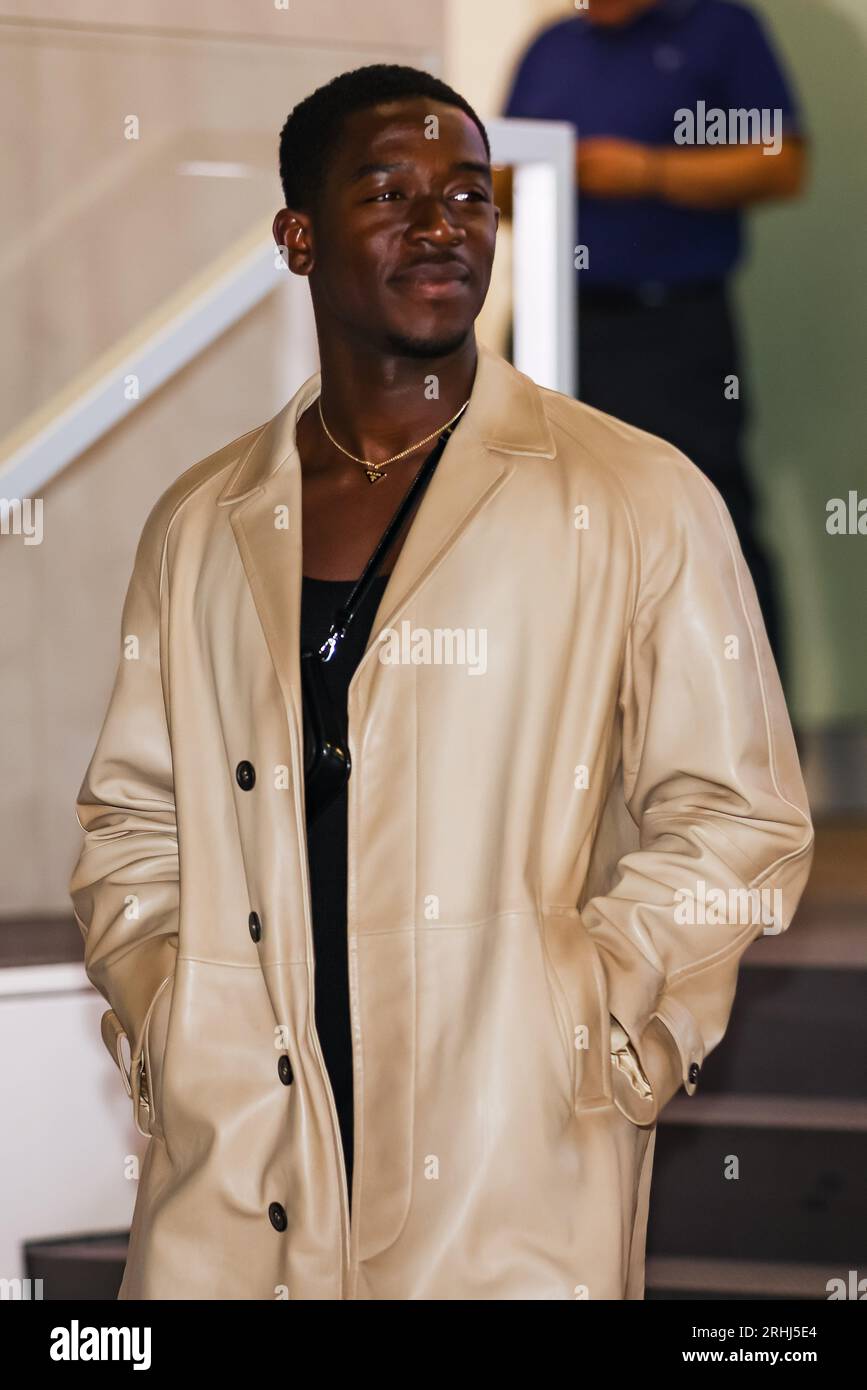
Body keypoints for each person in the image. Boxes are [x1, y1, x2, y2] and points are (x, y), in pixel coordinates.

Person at [69, 63, 813, 1301]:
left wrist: (595, 1019)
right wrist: (170, 1018)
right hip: (237, 1176)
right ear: (297, 238)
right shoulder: (199, 522)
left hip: (509, 1171)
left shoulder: (635, 496)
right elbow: (132, 822)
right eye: (390, 193)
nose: (441, 225)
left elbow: (740, 817)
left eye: (470, 194)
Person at [501, 0, 808, 690]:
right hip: (553, 322)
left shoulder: (721, 28)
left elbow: (781, 162)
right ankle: (577, 753)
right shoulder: (552, 44)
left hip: (670, 328)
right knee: (537, 525)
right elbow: (495, 174)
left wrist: (647, 172)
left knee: (703, 526)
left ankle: (750, 763)